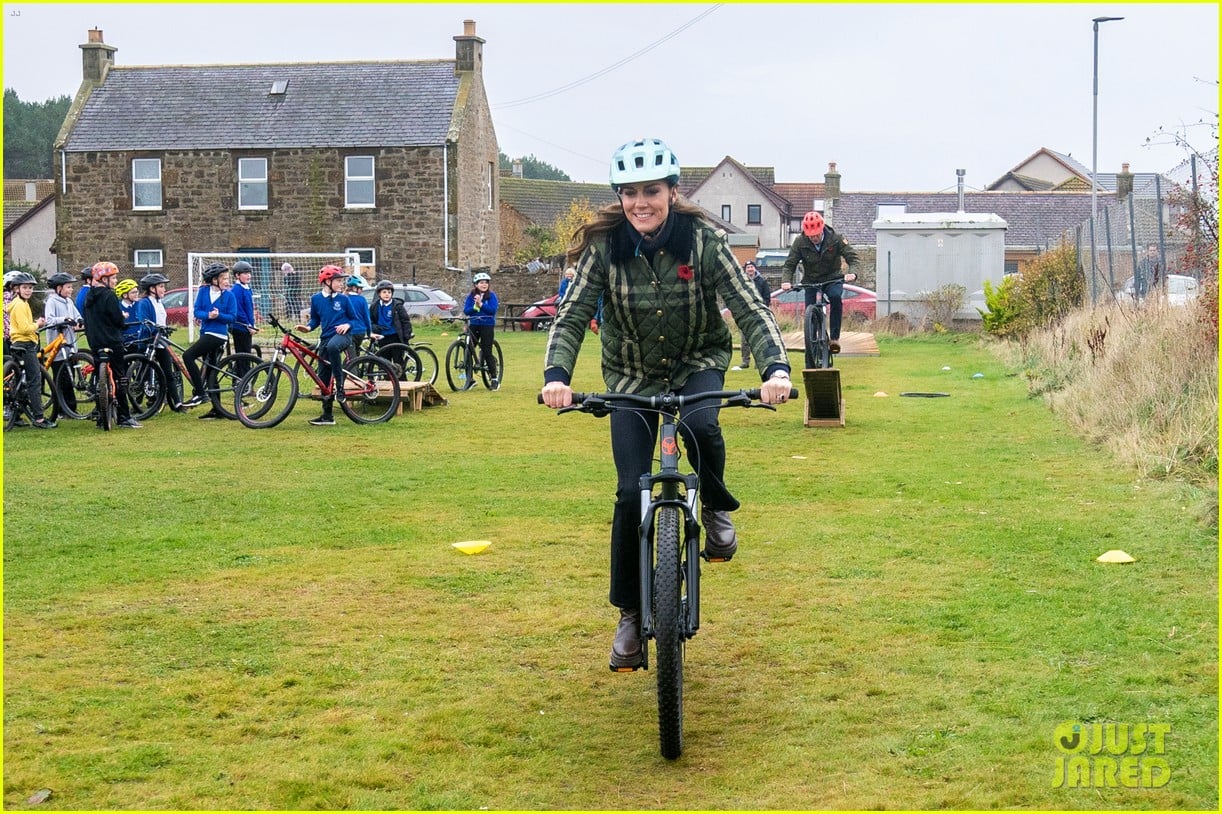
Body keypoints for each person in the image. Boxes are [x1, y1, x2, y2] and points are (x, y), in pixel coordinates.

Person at [539, 137, 791, 670]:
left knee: (702, 424)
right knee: (630, 494)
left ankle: (718, 506)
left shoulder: (702, 241)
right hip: (629, 377)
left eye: (651, 191)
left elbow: (748, 307)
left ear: (672, 193)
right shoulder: (604, 247)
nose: (640, 203)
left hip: (697, 361)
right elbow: (570, 314)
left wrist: (775, 367)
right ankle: (630, 615)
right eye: (630, 193)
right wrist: (557, 376)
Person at [780, 210, 859, 354]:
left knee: (835, 297)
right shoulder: (800, 242)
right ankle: (812, 338)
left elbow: (852, 257)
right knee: (809, 308)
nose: (814, 238)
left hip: (832, 278)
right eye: (811, 236)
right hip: (811, 279)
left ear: (822, 229)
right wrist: (786, 281)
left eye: (816, 235)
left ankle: (834, 338)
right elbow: (789, 264)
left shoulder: (835, 239)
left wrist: (852, 273)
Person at [296, 264, 359, 426]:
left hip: (343, 336)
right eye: (337, 281)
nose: (341, 284)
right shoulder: (316, 299)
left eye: (340, 281)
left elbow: (354, 319)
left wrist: (347, 325)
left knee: (332, 347)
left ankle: (340, 387)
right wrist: (308, 327)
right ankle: (327, 416)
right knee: (323, 378)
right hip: (325, 339)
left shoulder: (344, 299)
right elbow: (315, 319)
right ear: (327, 282)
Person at [83, 261, 140, 428]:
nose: (115, 281)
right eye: (113, 278)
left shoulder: (89, 296)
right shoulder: (109, 296)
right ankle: (124, 416)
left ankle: (101, 416)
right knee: (119, 377)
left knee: (99, 377)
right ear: (104, 279)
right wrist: (123, 318)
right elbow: (117, 320)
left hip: (95, 341)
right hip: (111, 340)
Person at [181, 262, 236, 419]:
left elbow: (233, 317)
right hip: (205, 333)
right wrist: (207, 315)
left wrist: (219, 316)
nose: (227, 281)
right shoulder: (203, 291)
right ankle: (217, 409)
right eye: (223, 278)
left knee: (188, 356)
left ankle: (199, 393)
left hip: (217, 335)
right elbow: (197, 311)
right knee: (211, 370)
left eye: (227, 278)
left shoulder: (229, 296)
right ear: (213, 280)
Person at [3, 271, 56, 429]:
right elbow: (25, 328)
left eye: (30, 288)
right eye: (25, 288)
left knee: (23, 379)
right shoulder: (19, 305)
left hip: (21, 342)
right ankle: (39, 419)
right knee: (34, 381)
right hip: (25, 343)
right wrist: (37, 325)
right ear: (16, 289)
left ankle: (18, 409)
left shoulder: (21, 303)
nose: (28, 291)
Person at [132, 272, 189, 412]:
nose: (164, 289)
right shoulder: (144, 303)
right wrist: (153, 329)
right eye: (161, 286)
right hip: (148, 343)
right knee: (143, 373)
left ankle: (176, 403)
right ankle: (136, 403)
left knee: (168, 373)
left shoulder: (159, 302)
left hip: (161, 343)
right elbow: (144, 321)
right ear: (152, 289)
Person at [42, 271, 85, 415]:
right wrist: (64, 319)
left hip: (70, 344)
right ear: (58, 288)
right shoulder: (52, 301)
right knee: (61, 378)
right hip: (58, 345)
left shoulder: (69, 301)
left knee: (70, 375)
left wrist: (79, 320)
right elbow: (49, 319)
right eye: (68, 287)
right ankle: (61, 409)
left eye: (71, 287)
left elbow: (76, 314)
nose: (71, 290)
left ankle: (70, 407)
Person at [732, 260, 773, 370]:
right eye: (748, 267)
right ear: (745, 270)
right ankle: (745, 362)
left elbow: (767, 297)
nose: (750, 269)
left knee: (760, 339)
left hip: (759, 313)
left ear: (755, 268)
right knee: (744, 340)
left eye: (751, 267)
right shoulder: (741, 281)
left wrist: (762, 308)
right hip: (745, 313)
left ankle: (759, 362)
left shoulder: (762, 281)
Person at [463, 272, 499, 389]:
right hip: (474, 324)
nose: (484, 285)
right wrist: (475, 306)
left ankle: (494, 378)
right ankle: (470, 378)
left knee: (486, 350)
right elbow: (467, 310)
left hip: (487, 325)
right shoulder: (471, 296)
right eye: (481, 283)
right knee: (468, 349)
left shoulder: (491, 296)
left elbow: (492, 310)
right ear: (476, 284)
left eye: (486, 283)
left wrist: (481, 304)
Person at [369, 279, 414, 371]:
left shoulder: (397, 306)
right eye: (384, 292)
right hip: (382, 338)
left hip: (395, 337)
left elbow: (406, 321)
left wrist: (406, 336)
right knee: (384, 363)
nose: (387, 294)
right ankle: (388, 381)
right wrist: (374, 328)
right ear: (379, 294)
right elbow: (370, 320)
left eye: (389, 292)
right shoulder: (375, 306)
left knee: (398, 362)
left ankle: (402, 382)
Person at [345, 273, 372, 354]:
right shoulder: (362, 299)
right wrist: (369, 332)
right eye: (360, 288)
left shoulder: (344, 299)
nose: (362, 290)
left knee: (351, 357)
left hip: (349, 332)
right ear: (354, 288)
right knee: (356, 354)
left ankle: (350, 366)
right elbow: (367, 317)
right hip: (361, 332)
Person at [116, 278, 142, 348]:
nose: (136, 294)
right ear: (125, 295)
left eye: (137, 292)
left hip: (140, 340)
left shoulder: (140, 305)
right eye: (133, 292)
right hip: (125, 342)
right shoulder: (117, 307)